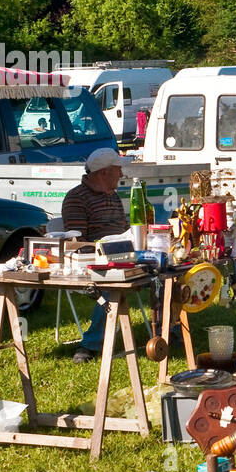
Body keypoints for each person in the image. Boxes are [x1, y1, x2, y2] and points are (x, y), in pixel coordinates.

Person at [61, 148, 131, 362]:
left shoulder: (114, 196)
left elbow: (125, 229)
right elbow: (78, 244)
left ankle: (167, 332)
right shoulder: (76, 198)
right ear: (103, 173)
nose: (121, 174)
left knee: (166, 273)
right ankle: (90, 345)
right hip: (92, 263)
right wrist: (107, 252)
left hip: (121, 256)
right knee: (110, 285)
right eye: (117, 170)